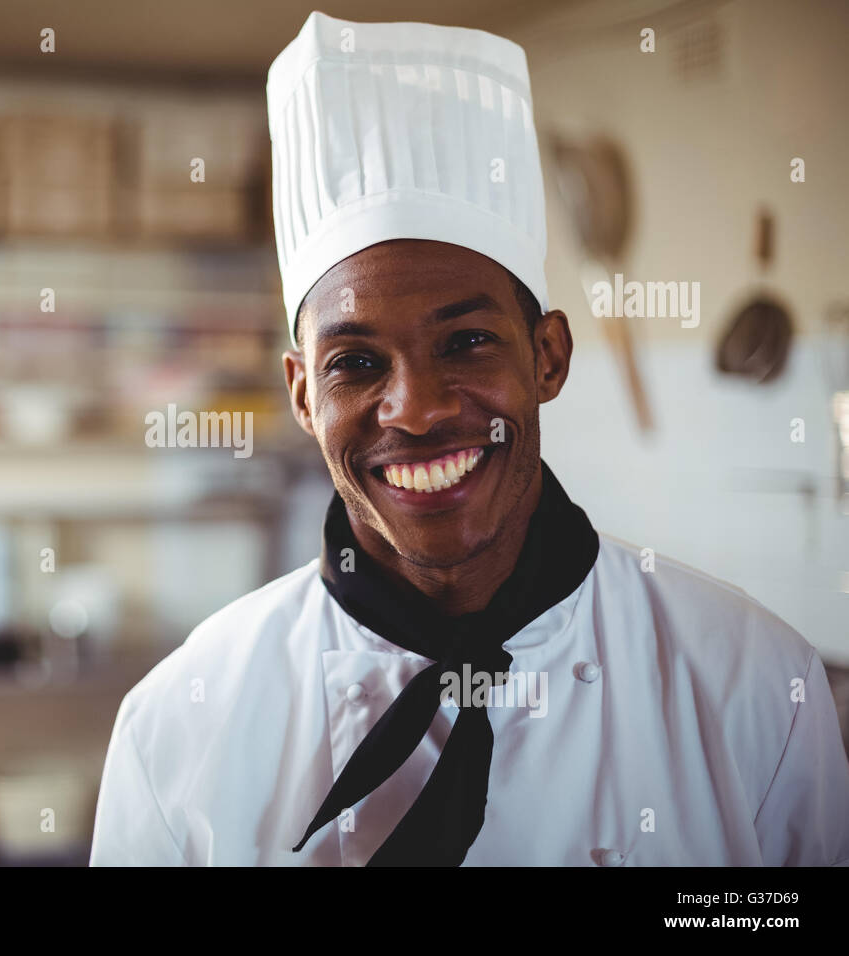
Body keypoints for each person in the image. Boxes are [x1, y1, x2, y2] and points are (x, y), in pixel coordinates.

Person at [88, 11, 849, 866]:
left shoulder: (753, 687)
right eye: (358, 361)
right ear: (303, 396)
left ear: (549, 357)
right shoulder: (180, 728)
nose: (413, 410)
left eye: (466, 341)